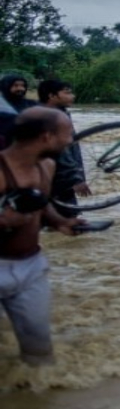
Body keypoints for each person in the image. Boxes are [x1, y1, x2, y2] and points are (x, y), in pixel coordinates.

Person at [0, 108, 87, 366]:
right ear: (47, 137)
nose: (70, 141)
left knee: (39, 351)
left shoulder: (47, 167)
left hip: (31, 267)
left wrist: (60, 222)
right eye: (67, 134)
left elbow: (42, 204)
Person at [36, 79, 90, 217]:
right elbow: (62, 151)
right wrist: (75, 178)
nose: (72, 96)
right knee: (65, 218)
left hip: (55, 176)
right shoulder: (51, 117)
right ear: (52, 96)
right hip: (57, 178)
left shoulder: (57, 113)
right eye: (67, 93)